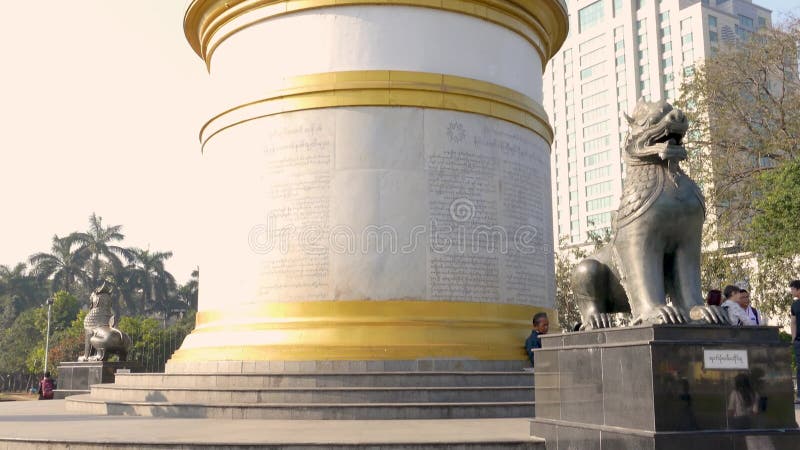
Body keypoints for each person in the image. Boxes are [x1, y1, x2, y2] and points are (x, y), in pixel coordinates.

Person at [789, 280, 800, 401]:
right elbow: (793, 322)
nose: (791, 292)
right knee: (799, 368)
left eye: (792, 289)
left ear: (798, 289)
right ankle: (799, 395)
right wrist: (793, 339)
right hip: (799, 341)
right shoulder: (794, 305)